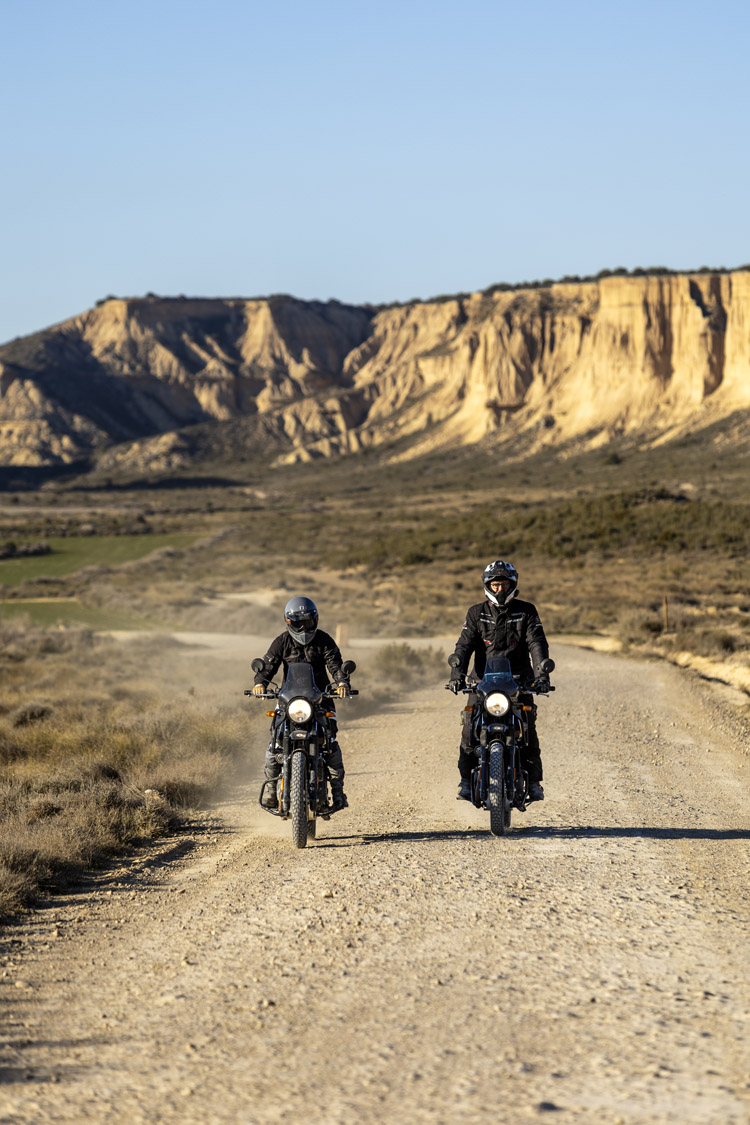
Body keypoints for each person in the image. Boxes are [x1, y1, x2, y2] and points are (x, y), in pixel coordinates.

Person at [446, 560, 553, 803]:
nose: (499, 589)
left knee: (527, 729)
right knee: (469, 730)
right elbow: (464, 646)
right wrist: (457, 675)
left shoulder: (527, 611)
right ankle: (465, 781)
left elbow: (537, 643)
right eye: (495, 584)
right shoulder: (476, 613)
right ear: (487, 586)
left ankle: (534, 782)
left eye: (504, 584)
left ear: (512, 584)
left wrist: (542, 676)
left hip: (518, 682)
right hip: (482, 683)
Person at [252, 596, 351, 811]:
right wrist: (260, 683)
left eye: (308, 622)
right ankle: (271, 790)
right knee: (275, 743)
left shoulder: (324, 640)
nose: (304, 627)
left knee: (331, 742)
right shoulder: (281, 642)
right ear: (289, 622)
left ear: (315, 620)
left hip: (320, 699)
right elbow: (268, 666)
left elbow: (336, 664)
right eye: (298, 623)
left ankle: (337, 790)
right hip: (289, 700)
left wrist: (342, 682)